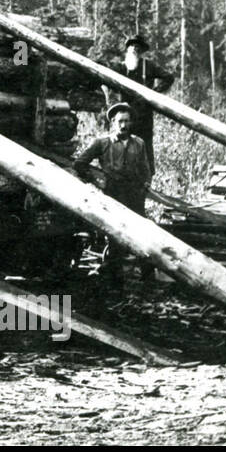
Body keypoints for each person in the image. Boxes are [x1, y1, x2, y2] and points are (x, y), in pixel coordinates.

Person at [72, 102, 154, 284]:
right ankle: (113, 276)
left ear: (131, 123)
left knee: (142, 231)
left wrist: (146, 183)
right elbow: (79, 164)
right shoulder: (102, 143)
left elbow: (146, 169)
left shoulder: (139, 144)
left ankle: (147, 276)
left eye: (126, 121)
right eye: (119, 121)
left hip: (134, 195)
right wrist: (97, 181)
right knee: (115, 234)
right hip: (112, 194)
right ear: (113, 123)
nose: (123, 125)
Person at [104, 35, 174, 171]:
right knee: (122, 145)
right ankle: (121, 175)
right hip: (124, 116)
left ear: (141, 51)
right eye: (132, 46)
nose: (134, 49)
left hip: (144, 115)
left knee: (145, 147)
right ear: (127, 50)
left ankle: (147, 179)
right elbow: (105, 78)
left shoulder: (149, 66)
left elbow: (168, 77)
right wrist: (111, 102)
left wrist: (153, 94)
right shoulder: (120, 68)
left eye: (138, 47)